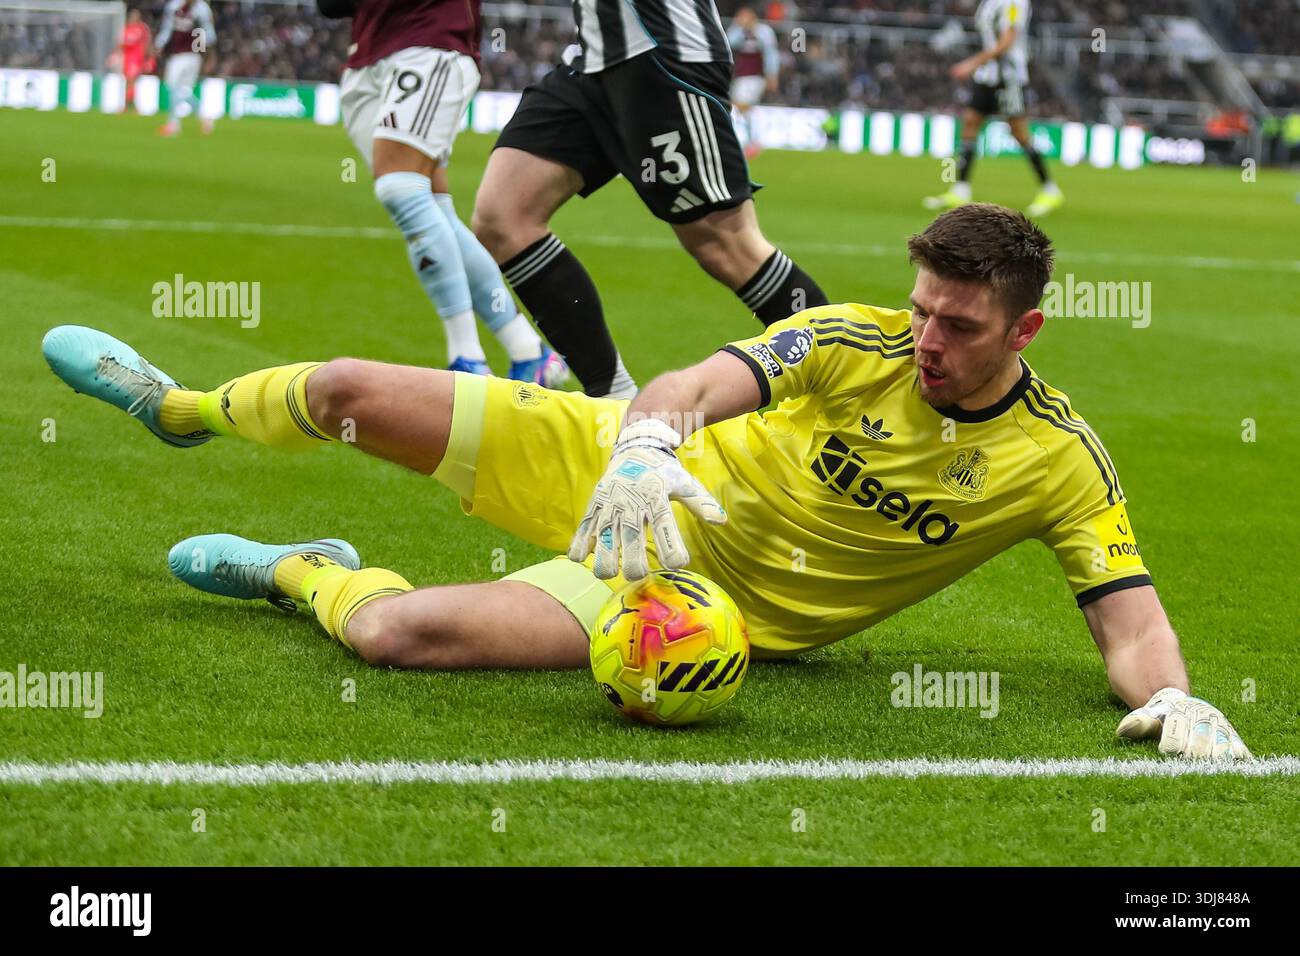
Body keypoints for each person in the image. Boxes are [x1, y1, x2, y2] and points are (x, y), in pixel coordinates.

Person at [39, 203, 1246, 760]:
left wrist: (1178, 698)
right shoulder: (854, 340)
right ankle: (179, 407)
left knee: (400, 636)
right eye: (923, 308)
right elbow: (692, 379)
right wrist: (645, 443)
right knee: (354, 386)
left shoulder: (1058, 463)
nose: (928, 338)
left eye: (959, 325)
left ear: (1024, 331)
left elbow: (1127, 616)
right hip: (624, 467)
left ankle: (301, 570)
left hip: (683, 596)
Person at [470, 0, 829, 399]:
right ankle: (613, 407)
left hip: (662, 50)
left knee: (725, 244)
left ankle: (848, 386)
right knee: (502, 218)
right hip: (591, 56)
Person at [317, 0, 567, 382]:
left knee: (401, 190)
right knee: (433, 207)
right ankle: (528, 352)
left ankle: (468, 361)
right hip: (368, 53)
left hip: (428, 36)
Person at [924, 0, 1063, 217]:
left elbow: (1007, 42)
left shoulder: (1016, 3)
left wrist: (972, 63)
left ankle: (1049, 190)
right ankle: (960, 189)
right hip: (987, 76)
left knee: (1019, 132)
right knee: (970, 122)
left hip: (1009, 77)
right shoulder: (990, 2)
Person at [154, 0, 215, 137]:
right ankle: (204, 117)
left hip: (193, 55)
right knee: (180, 90)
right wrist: (160, 44)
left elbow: (208, 33)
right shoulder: (174, 6)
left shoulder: (202, 9)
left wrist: (208, 56)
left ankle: (174, 125)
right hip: (177, 55)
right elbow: (167, 28)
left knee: (175, 88)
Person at [727, 7, 780, 159]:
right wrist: (739, 28)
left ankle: (755, 141)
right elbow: (729, 43)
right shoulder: (738, 31)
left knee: (741, 105)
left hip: (756, 77)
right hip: (740, 76)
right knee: (742, 108)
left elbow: (771, 54)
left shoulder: (764, 32)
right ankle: (753, 141)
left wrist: (772, 75)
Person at [106, 8, 153, 112]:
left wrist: (147, 59)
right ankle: (130, 106)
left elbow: (147, 43)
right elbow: (120, 43)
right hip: (126, 58)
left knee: (131, 81)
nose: (133, 17)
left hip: (136, 58)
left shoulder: (142, 28)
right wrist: (113, 55)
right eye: (132, 15)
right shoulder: (126, 28)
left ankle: (128, 106)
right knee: (128, 81)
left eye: (135, 15)